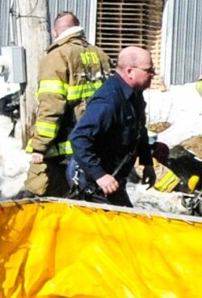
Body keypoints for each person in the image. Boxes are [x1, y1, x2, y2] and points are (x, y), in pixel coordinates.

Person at [23, 12, 112, 196]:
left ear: (56, 33)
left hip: (67, 143)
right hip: (97, 141)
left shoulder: (57, 57)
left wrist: (40, 145)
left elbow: (51, 106)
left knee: (45, 191)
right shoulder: (100, 55)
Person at [67, 45, 157, 208]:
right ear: (130, 71)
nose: (153, 75)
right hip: (92, 179)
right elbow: (79, 138)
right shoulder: (109, 99)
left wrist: (147, 162)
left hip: (113, 175)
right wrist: (99, 175)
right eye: (149, 70)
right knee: (119, 227)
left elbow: (138, 129)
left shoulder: (134, 95)